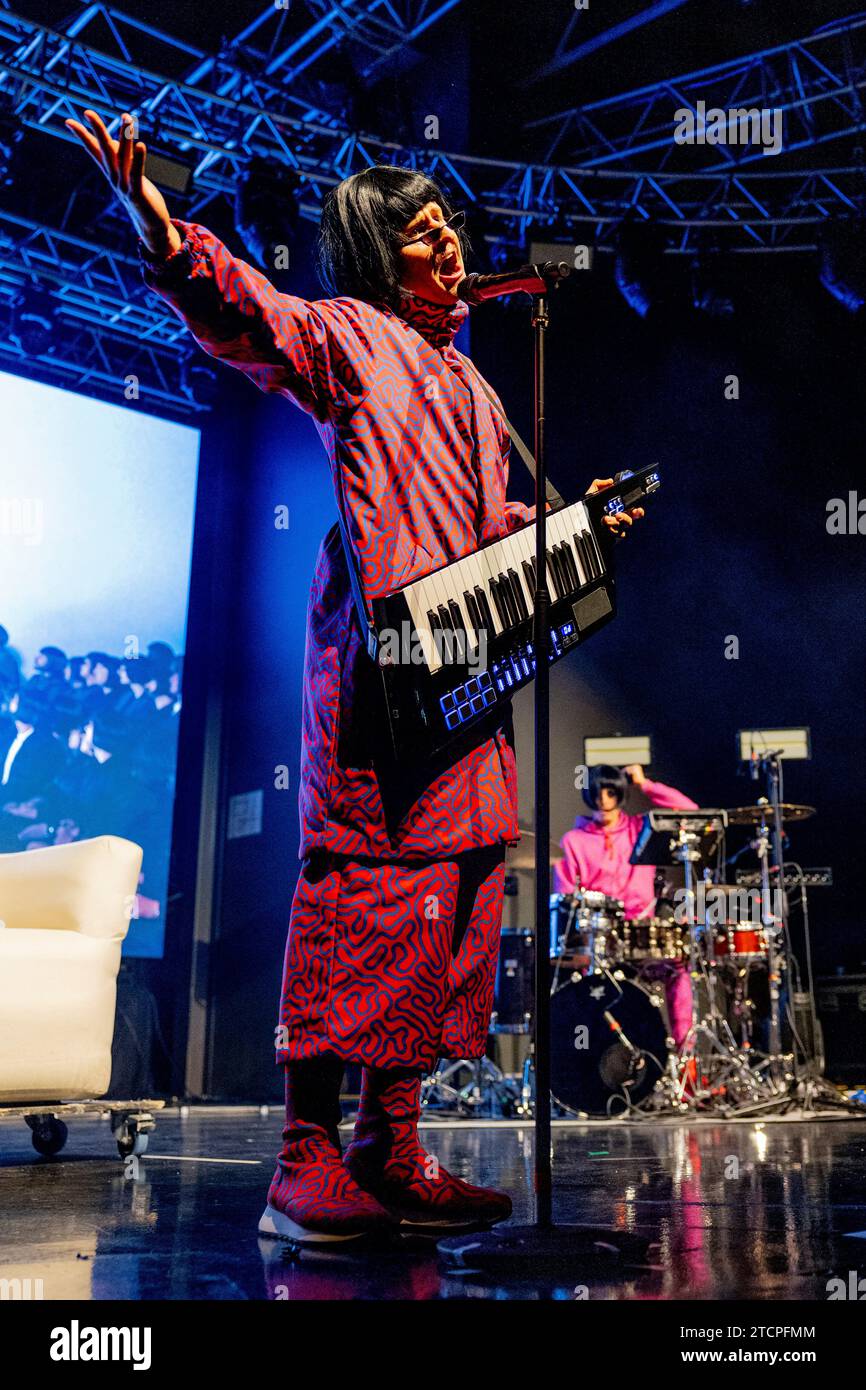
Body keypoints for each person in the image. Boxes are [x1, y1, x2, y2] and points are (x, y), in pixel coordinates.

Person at [67, 108, 644, 1246]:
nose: (450, 247)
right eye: (425, 234)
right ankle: (303, 1162)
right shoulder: (344, 335)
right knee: (362, 891)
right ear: (383, 256)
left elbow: (494, 523)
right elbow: (251, 317)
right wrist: (164, 227)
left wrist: (574, 528)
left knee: (460, 895)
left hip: (467, 668)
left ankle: (395, 1147)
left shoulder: (477, 387)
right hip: (382, 668)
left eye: (447, 228)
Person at [554, 763, 698, 1048]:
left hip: (642, 935)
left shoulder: (641, 828)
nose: (603, 800)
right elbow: (565, 902)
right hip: (599, 942)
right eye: (597, 793)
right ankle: (596, 1061)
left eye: (610, 792)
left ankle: (685, 1062)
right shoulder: (573, 841)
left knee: (678, 970)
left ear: (620, 794)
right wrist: (581, 941)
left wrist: (645, 785)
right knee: (590, 993)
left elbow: (690, 812)